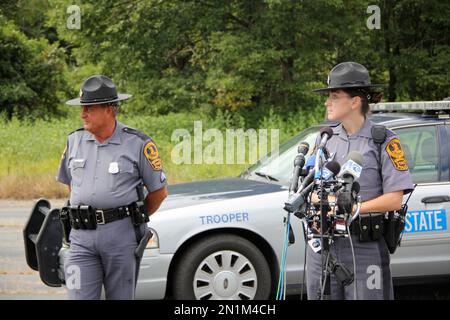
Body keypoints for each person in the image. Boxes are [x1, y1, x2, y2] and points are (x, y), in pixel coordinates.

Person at [305, 61, 414, 300]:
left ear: (355, 102)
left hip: (364, 245)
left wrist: (353, 209)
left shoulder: (383, 141)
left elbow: (395, 199)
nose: (327, 102)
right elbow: (309, 189)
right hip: (323, 245)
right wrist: (322, 200)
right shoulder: (325, 138)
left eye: (334, 96)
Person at [56, 75, 168, 299]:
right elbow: (72, 185)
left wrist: (129, 217)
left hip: (121, 237)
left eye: (89, 108)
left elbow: (158, 192)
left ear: (109, 109)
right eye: (82, 107)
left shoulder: (138, 144)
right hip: (80, 239)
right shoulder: (74, 141)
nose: (82, 114)